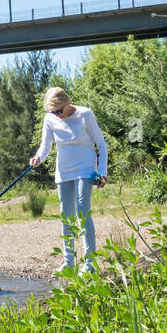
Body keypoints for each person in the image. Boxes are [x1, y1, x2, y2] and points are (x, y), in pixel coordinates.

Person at [29, 87, 108, 274]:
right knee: (66, 217)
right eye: (53, 112)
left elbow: (102, 144)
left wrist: (102, 172)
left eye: (59, 111)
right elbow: (45, 146)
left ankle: (89, 264)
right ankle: (69, 262)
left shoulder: (85, 114)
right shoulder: (50, 118)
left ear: (67, 102)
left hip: (86, 168)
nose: (57, 115)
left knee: (83, 213)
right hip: (63, 171)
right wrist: (38, 157)